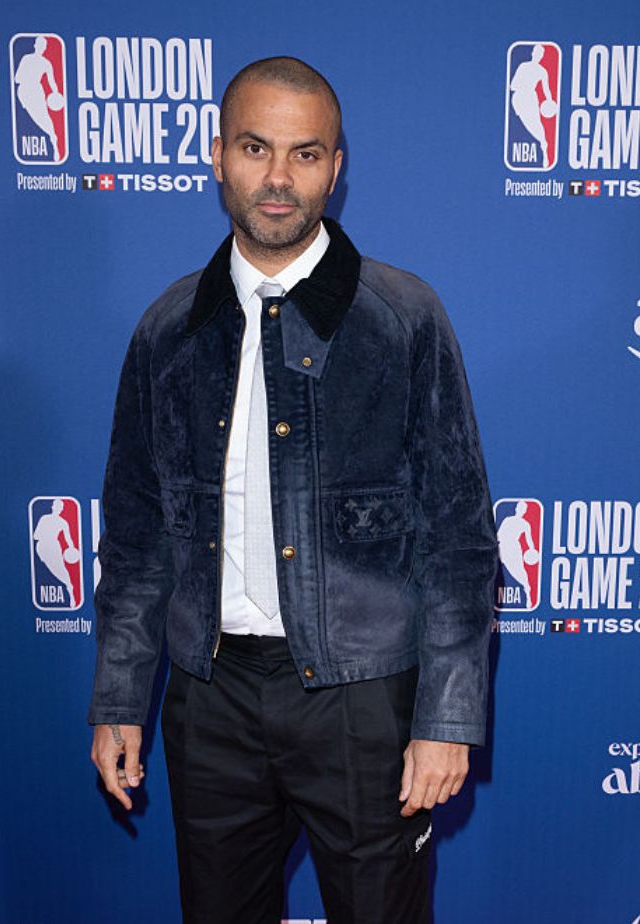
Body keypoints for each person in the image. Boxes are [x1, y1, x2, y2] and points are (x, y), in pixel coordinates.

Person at [87, 57, 494, 924]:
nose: (278, 178)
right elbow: (137, 539)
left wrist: (446, 716)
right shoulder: (168, 329)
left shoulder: (403, 317)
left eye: (304, 154)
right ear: (216, 156)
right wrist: (120, 698)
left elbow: (459, 536)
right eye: (255, 148)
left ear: (335, 168)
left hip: (365, 697)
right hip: (211, 698)